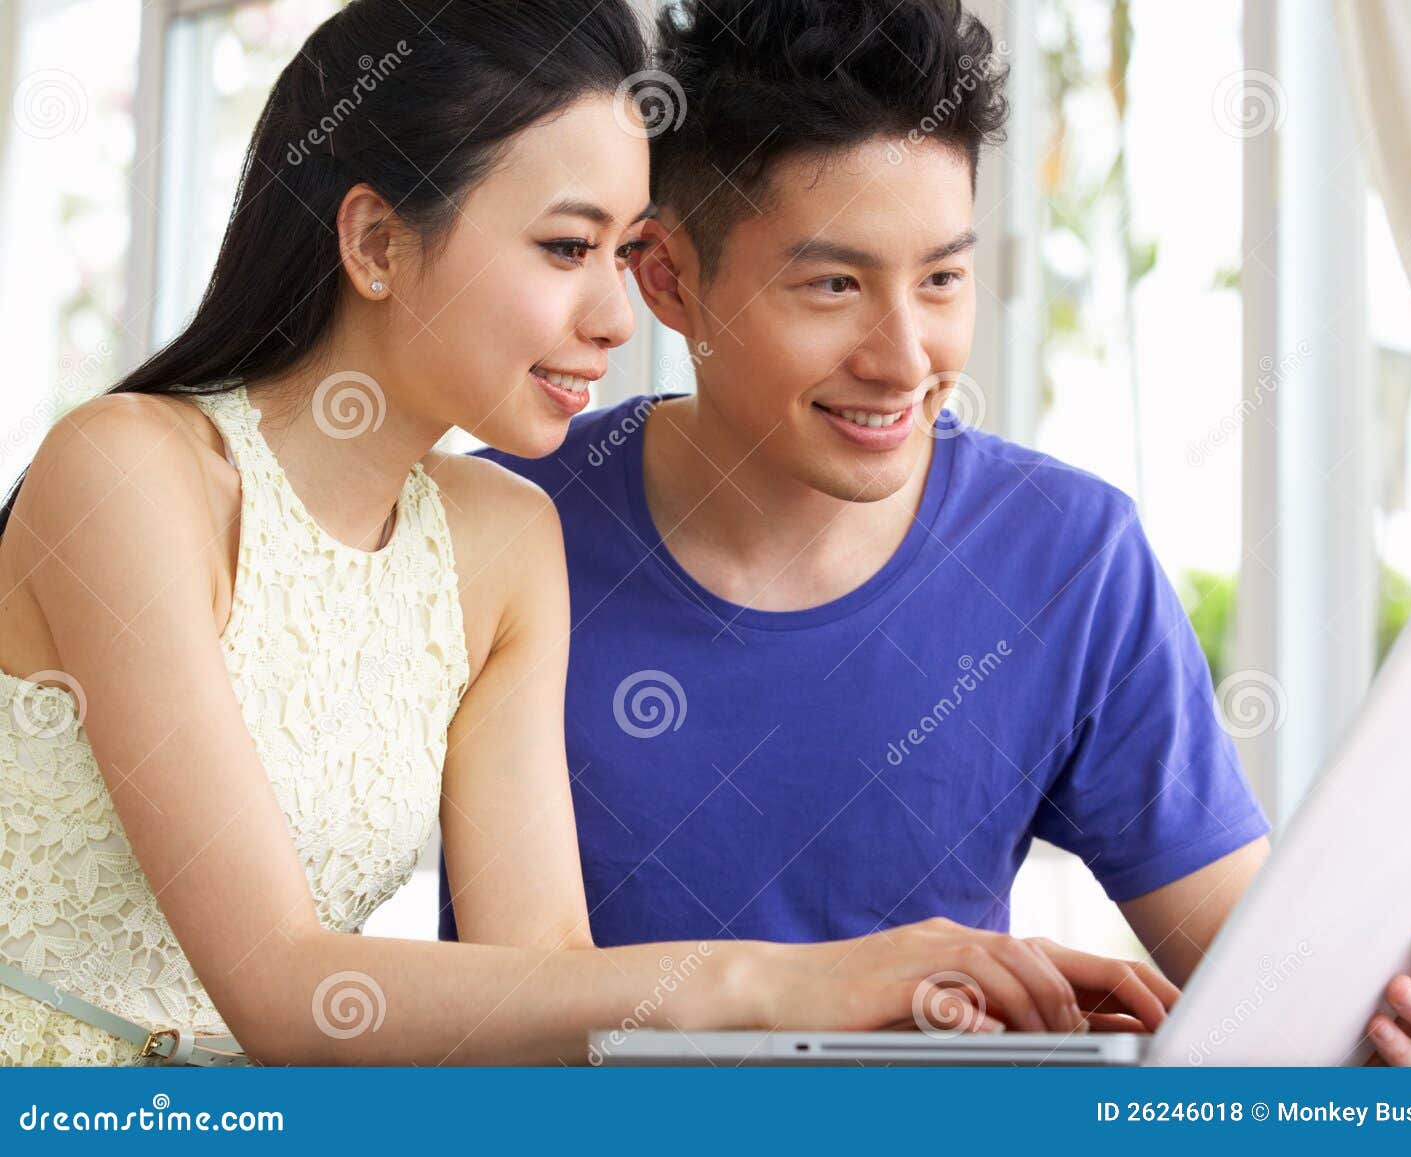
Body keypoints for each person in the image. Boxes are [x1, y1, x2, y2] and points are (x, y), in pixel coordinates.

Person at [0, 0, 1146, 1068]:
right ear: (377, 243)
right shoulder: (129, 473)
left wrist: (911, 1006)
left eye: (623, 250)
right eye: (564, 248)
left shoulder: (503, 536)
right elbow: (281, 987)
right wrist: (786, 981)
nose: (613, 317)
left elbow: (543, 980)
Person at [438, 0, 1411, 1065]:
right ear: (667, 277)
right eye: (835, 284)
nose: (906, 357)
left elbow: (1259, 991)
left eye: (943, 276)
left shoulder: (1067, 558)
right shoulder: (494, 531)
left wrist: (1359, 1007)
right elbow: (473, 1018)